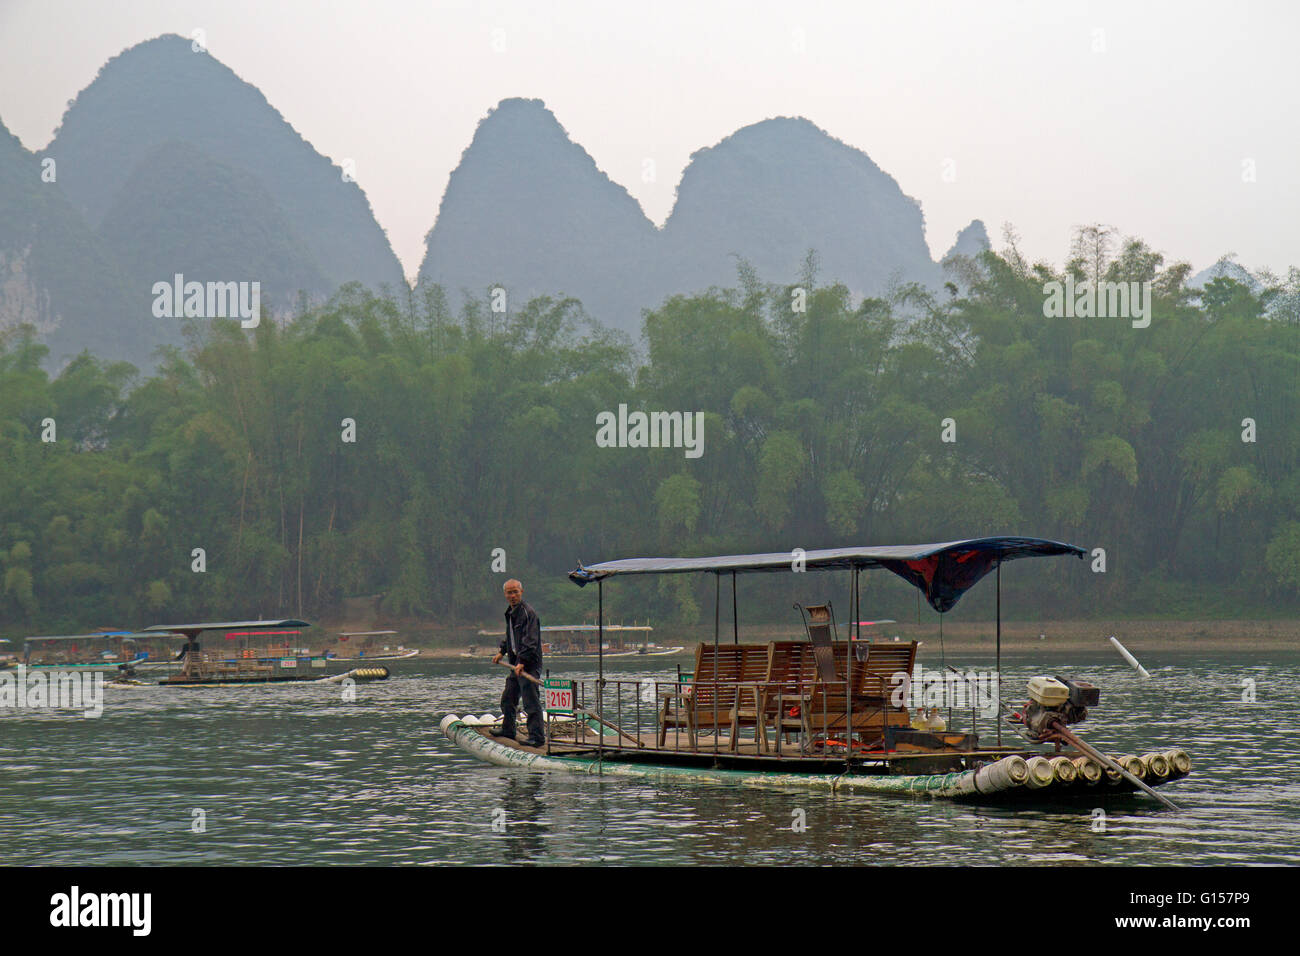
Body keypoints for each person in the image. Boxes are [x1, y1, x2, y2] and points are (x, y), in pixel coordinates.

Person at [492, 578, 545, 747]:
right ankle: (508, 729)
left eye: (515, 592)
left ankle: (537, 738)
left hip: (528, 665)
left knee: (531, 702)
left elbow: (530, 641)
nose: (513, 595)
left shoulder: (528, 613)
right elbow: (511, 638)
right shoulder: (510, 612)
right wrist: (502, 651)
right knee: (508, 698)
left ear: (521, 592)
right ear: (505, 595)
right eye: (509, 592)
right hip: (516, 665)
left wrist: (522, 661)